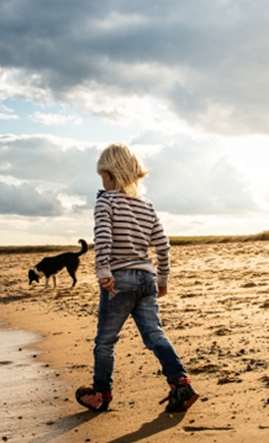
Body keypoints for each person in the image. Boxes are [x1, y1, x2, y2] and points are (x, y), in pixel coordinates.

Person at [75, 143, 199, 414]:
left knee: (105, 341)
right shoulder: (146, 205)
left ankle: (101, 393)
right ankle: (180, 382)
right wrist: (163, 280)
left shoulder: (106, 200)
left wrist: (103, 271)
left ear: (110, 174)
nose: (102, 182)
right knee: (154, 333)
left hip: (120, 280)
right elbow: (163, 245)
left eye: (102, 176)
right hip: (147, 279)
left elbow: (104, 237)